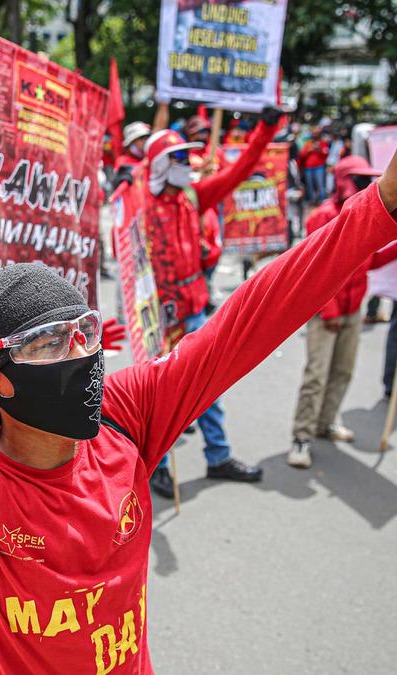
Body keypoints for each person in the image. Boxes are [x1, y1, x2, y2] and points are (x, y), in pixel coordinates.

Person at [0, 4, 397, 669]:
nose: (82, 354)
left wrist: (381, 202)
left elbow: (251, 317)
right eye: (51, 343)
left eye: (84, 332)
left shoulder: (126, 420)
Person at [139, 108, 282, 498]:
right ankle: (157, 466)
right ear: (160, 165)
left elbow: (239, 171)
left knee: (207, 389)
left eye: (189, 157)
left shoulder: (192, 197)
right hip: (161, 319)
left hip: (195, 309)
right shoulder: (137, 207)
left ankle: (218, 457)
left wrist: (266, 129)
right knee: (160, 397)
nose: (189, 164)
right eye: (180, 158)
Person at [287, 156, 397, 468]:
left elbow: (367, 261)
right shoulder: (323, 216)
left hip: (353, 308)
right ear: (345, 179)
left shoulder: (365, 216)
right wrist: (328, 312)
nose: (363, 185)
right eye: (358, 179)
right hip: (326, 311)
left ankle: (325, 422)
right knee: (316, 375)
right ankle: (301, 436)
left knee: (343, 370)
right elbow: (314, 268)